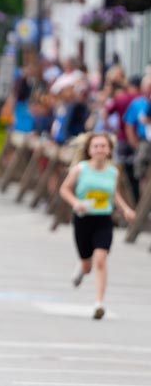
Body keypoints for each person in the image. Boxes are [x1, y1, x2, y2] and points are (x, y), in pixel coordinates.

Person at [60, 132, 136, 320]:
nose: (100, 149)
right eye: (96, 146)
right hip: (83, 219)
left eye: (103, 146)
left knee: (101, 259)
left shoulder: (113, 172)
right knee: (88, 266)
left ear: (109, 150)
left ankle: (99, 303)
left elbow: (114, 194)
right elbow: (64, 189)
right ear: (89, 150)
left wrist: (126, 209)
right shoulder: (80, 169)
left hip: (103, 220)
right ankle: (82, 267)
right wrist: (76, 203)